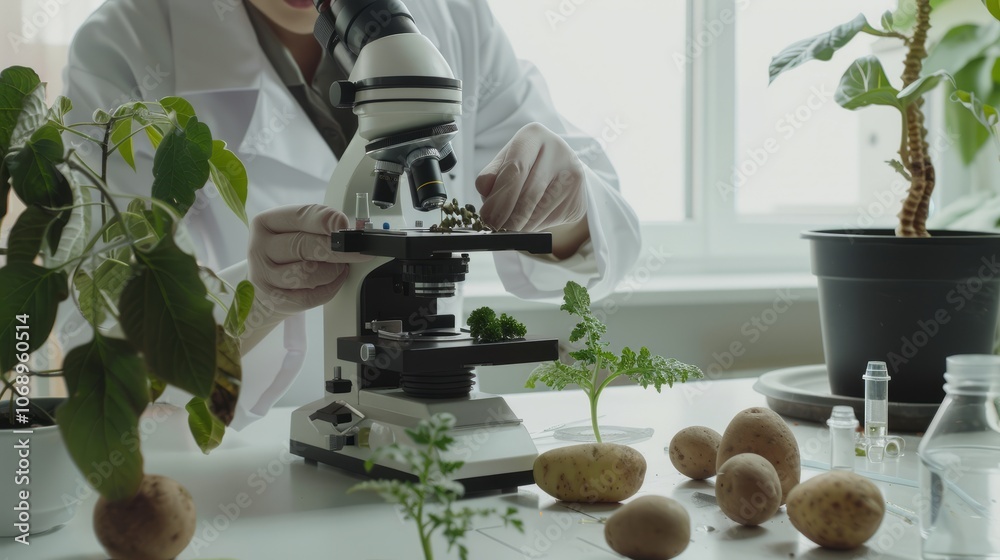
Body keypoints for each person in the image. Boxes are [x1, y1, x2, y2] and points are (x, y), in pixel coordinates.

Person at [62, 0, 641, 428]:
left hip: (425, 431)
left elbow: (610, 228)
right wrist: (252, 302)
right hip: (232, 463)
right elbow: (105, 339)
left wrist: (564, 206)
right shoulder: (126, 47)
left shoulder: (454, 17)